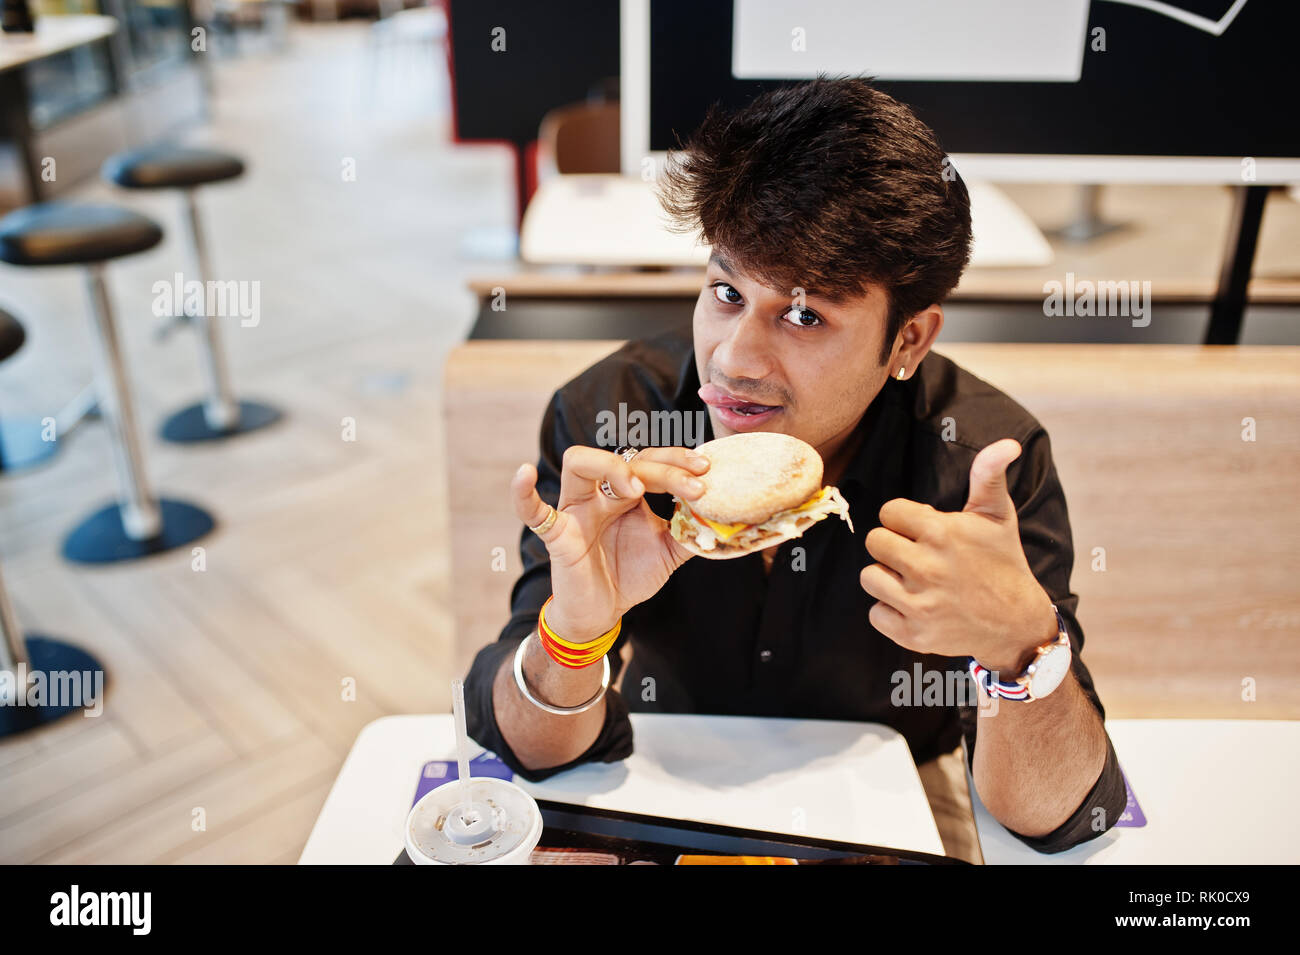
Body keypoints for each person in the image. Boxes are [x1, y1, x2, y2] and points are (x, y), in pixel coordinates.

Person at [463, 76, 1127, 859]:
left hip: (893, 811)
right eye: (726, 291)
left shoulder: (981, 466)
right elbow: (536, 750)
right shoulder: (614, 423)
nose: (734, 358)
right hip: (663, 795)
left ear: (909, 339)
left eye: (805, 315)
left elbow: (1052, 818)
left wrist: (1022, 644)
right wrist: (576, 633)